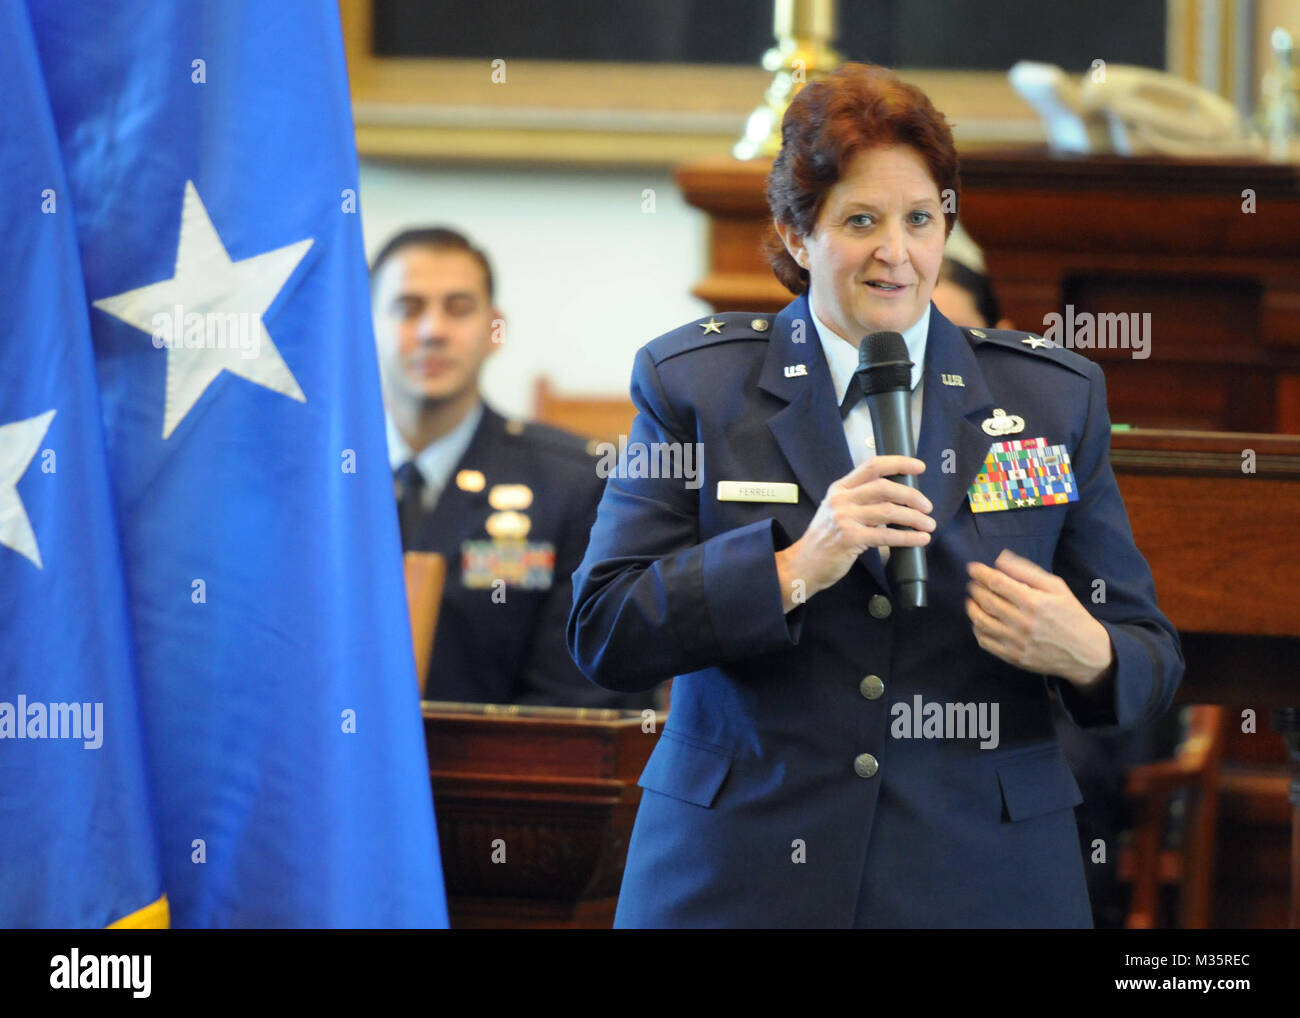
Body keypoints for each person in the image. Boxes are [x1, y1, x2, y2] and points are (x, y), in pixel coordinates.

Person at [567, 63, 1183, 928]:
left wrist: (1087, 650)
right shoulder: (695, 387)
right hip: (742, 870)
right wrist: (791, 568)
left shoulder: (1051, 397)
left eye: (922, 219)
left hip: (978, 875)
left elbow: (1151, 654)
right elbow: (605, 626)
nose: (898, 254)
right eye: (861, 221)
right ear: (794, 232)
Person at [931, 225, 1182, 929]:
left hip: (1029, 736)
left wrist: (1092, 655)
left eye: (955, 335)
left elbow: (1148, 650)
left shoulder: (1042, 431)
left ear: (998, 335)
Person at [371, 226, 651, 709]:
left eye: (458, 308)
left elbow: (585, 694)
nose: (432, 331)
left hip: (500, 777)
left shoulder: (575, 485)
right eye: (408, 308)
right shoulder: (313, 478)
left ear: (494, 330)